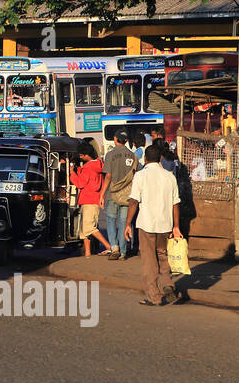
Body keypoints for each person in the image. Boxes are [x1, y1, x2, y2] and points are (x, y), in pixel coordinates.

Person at [126, 144, 183, 306]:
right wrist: (176, 226)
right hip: (165, 224)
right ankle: (168, 284)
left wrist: (127, 224)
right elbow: (175, 204)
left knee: (149, 261)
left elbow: (133, 202)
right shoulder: (169, 176)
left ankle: (154, 296)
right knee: (163, 256)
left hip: (146, 224)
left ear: (145, 159)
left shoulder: (140, 176)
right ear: (160, 159)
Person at [72, 140, 112, 257]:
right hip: (94, 199)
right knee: (85, 229)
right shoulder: (97, 165)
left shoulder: (88, 168)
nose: (80, 157)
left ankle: (108, 246)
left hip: (89, 199)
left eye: (81, 155)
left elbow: (80, 183)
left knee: (89, 227)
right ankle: (88, 253)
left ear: (86, 155)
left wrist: (72, 173)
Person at [102, 131, 138, 261]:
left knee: (111, 220)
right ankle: (123, 252)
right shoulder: (133, 156)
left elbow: (108, 176)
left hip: (113, 194)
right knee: (124, 222)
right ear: (126, 141)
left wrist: (101, 194)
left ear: (115, 139)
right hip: (128, 195)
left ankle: (115, 248)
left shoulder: (110, 155)